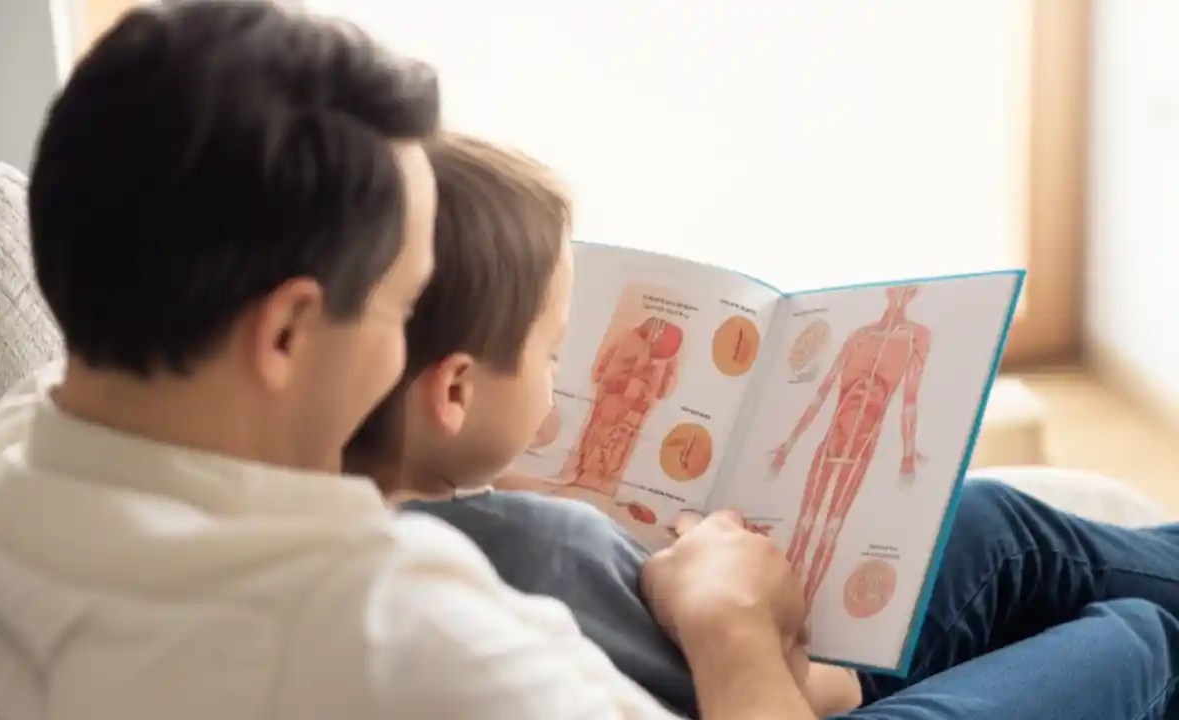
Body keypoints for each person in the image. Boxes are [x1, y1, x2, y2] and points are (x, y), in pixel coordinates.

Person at [0, 3, 815, 719]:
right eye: (403, 306)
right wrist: (730, 624)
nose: (406, 351)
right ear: (286, 335)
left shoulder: (22, 440)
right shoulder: (394, 632)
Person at [345, 135, 1179, 719]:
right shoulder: (533, 556)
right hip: (764, 684)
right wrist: (754, 629)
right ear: (453, 390)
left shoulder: (406, 516)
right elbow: (749, 685)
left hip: (770, 671)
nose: (564, 377)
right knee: (1135, 640)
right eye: (553, 354)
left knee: (991, 525)